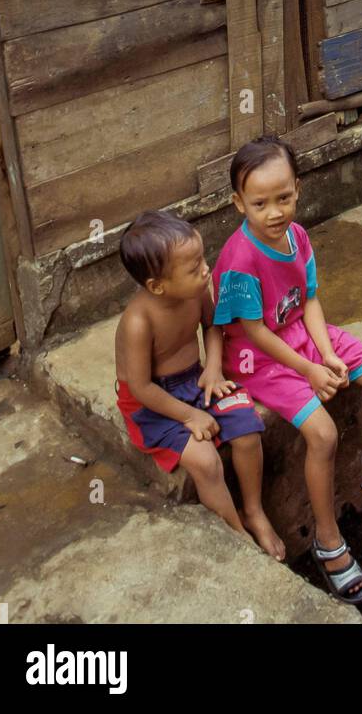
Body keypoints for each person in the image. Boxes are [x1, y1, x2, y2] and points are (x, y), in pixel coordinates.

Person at [213, 136, 362, 609]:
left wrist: (328, 351)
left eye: (285, 198)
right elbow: (254, 333)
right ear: (238, 204)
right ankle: (329, 544)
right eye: (260, 203)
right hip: (261, 358)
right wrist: (311, 369)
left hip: (301, 336)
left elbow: (309, 299)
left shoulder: (298, 237)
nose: (275, 212)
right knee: (324, 434)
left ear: (298, 189)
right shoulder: (239, 260)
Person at [115, 209, 284, 559]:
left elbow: (212, 325)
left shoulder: (195, 291)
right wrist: (189, 416)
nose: (206, 269)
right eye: (193, 268)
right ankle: (237, 531)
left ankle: (254, 511)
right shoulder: (138, 321)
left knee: (248, 431)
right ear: (157, 286)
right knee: (206, 462)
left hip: (198, 379)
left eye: (202, 259)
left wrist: (213, 368)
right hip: (155, 402)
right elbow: (141, 387)